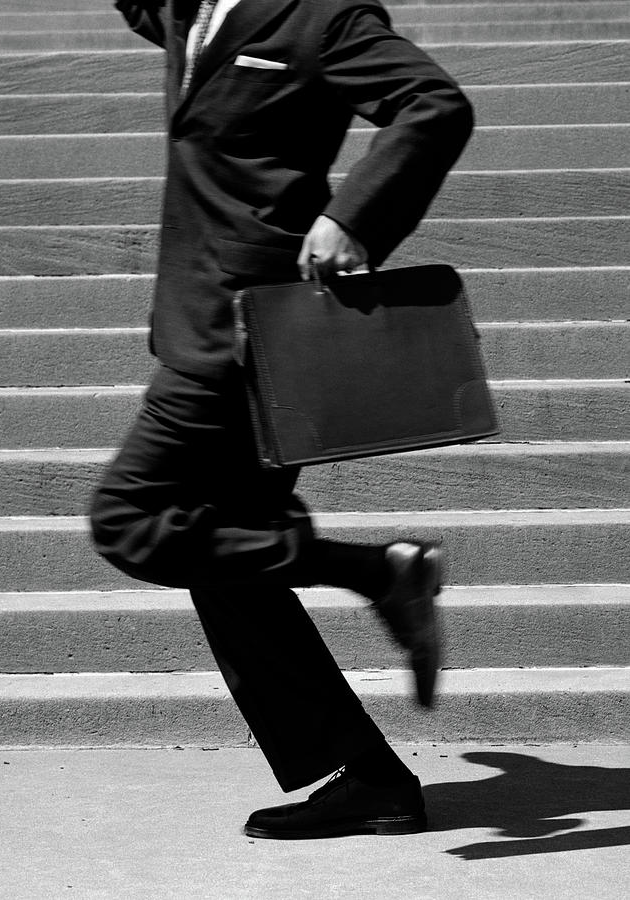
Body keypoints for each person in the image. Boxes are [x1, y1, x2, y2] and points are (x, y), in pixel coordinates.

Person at [90, 0, 473, 839]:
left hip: (246, 336)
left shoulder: (320, 17)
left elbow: (433, 104)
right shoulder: (189, 8)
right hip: (200, 318)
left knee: (127, 519)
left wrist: (352, 217)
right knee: (224, 559)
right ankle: (369, 780)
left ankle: (376, 572)